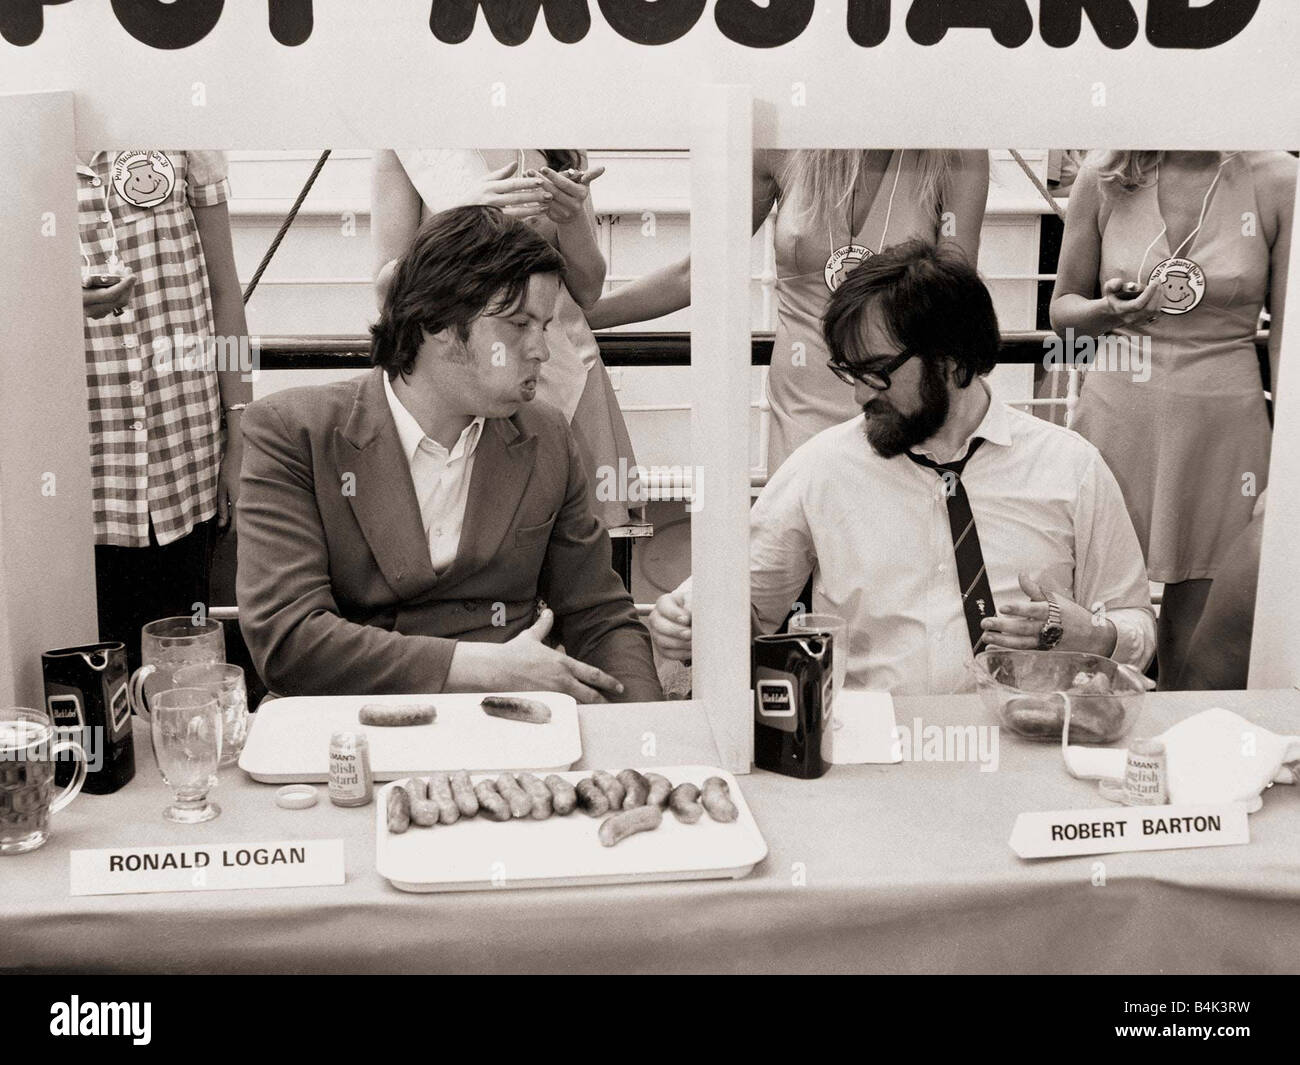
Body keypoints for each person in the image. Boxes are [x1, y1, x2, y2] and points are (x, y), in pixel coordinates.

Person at [648, 241, 1155, 695]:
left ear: (952, 360)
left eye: (876, 372)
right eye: (849, 372)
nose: (859, 395)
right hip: (869, 743)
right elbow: (744, 602)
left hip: (1029, 734)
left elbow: (1136, 621)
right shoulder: (823, 467)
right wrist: (687, 617)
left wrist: (1097, 636)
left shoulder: (1070, 467)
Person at [237, 205, 662, 703]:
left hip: (511, 722)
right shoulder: (293, 432)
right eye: (518, 324)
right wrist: (484, 669)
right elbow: (288, 641)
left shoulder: (548, 433)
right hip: (350, 722)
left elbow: (599, 616)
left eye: (545, 326)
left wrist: (647, 729)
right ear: (439, 322)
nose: (541, 351)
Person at [1050, 150, 1295, 689]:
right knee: (1096, 613)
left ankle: (1185, 735)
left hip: (1225, 433)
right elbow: (1063, 314)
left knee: (1201, 642)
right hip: (1116, 418)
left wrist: (1289, 459)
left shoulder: (1281, 179)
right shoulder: (1103, 173)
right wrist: (1105, 311)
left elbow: (1287, 340)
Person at [588, 149, 989, 472]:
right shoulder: (778, 144)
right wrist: (581, 318)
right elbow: (697, 271)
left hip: (904, 403)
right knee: (799, 537)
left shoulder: (955, 152)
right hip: (801, 403)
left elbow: (955, 295)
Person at [371, 148, 641, 530]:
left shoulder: (560, 142)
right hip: (459, 385)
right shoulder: (408, 143)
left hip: (563, 372)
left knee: (577, 541)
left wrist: (571, 219)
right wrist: (462, 223)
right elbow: (387, 291)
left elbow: (588, 289)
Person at [79, 149, 251, 674]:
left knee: (182, 665)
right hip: (77, 472)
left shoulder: (179, 133)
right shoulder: (19, 143)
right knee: (81, 674)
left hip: (182, 460)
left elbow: (224, 290)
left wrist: (240, 429)